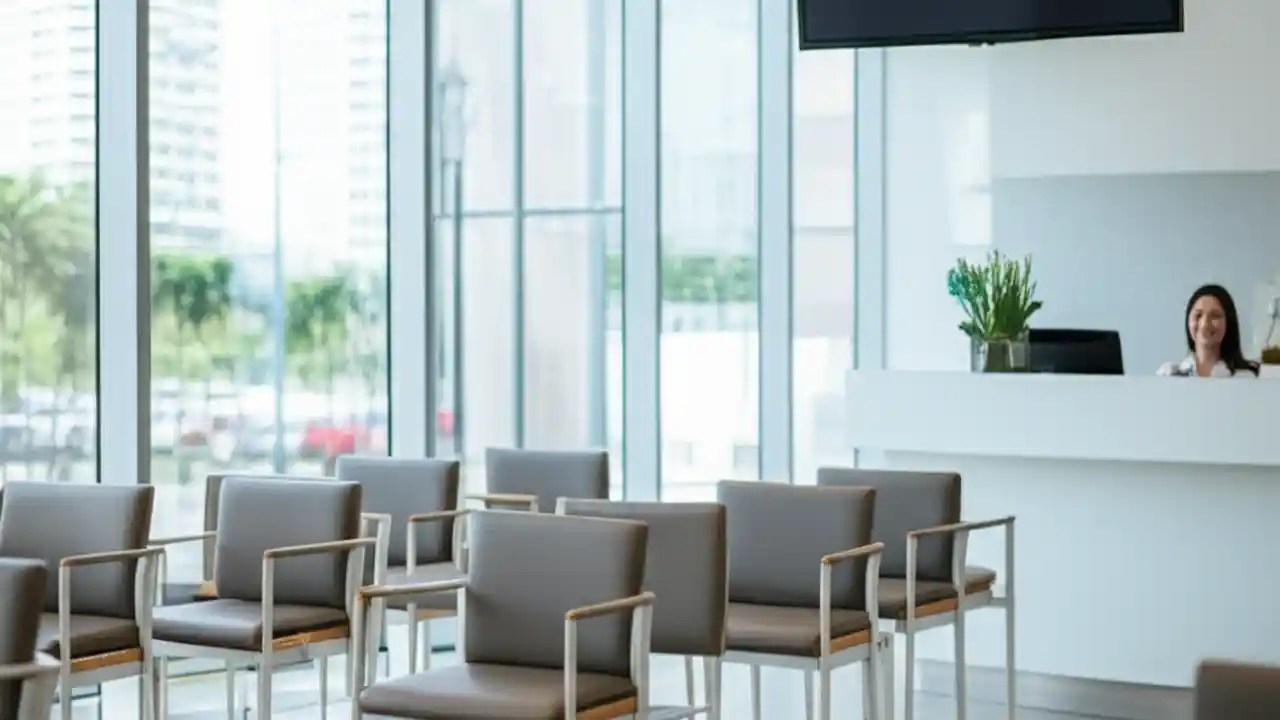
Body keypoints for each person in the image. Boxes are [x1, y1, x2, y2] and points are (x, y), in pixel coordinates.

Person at [1158, 284, 1260, 378]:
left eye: (1215, 316)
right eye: (1198, 315)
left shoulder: (1245, 376)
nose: (1205, 324)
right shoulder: (1169, 375)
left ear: (1228, 322)